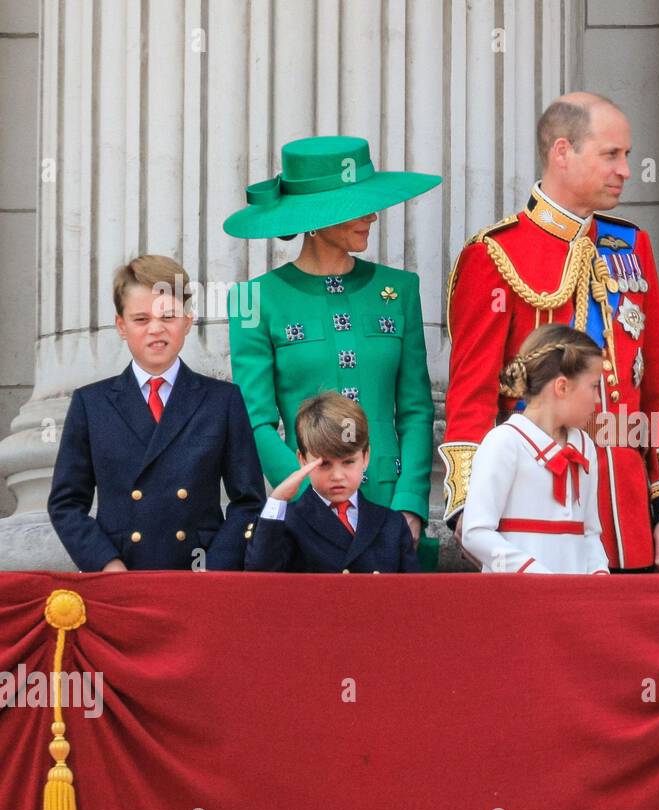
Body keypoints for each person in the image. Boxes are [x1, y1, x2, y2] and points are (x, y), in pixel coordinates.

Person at [441, 92, 659, 573]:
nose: (626, 169)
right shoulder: (495, 254)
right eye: (611, 155)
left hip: (629, 517)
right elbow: (471, 397)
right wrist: (471, 511)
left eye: (627, 155)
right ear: (562, 152)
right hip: (535, 515)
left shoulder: (631, 244)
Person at [223, 135, 441, 569]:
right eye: (358, 205)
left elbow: (416, 410)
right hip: (305, 520)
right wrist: (311, 500)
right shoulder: (252, 300)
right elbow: (257, 420)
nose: (373, 216)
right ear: (317, 216)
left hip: (389, 507)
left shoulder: (401, 290)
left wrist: (411, 504)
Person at [48, 255, 265, 571]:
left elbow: (249, 502)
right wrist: (106, 564)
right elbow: (66, 504)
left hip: (199, 575)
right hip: (123, 575)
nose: (155, 329)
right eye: (140, 319)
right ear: (121, 326)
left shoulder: (223, 401)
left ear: (187, 322)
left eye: (168, 316)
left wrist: (214, 568)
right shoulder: (91, 404)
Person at [460, 325, 609, 574]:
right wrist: (533, 575)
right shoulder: (504, 443)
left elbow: (590, 533)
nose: (598, 400)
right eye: (594, 387)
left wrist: (598, 576)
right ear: (562, 387)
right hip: (517, 601)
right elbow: (475, 534)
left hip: (574, 603)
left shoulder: (585, 448)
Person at [244, 392, 420, 573]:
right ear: (303, 460)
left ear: (366, 456)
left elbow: (411, 593)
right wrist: (277, 500)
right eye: (325, 464)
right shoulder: (288, 521)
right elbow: (260, 575)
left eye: (348, 462)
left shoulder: (392, 524)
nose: (337, 475)